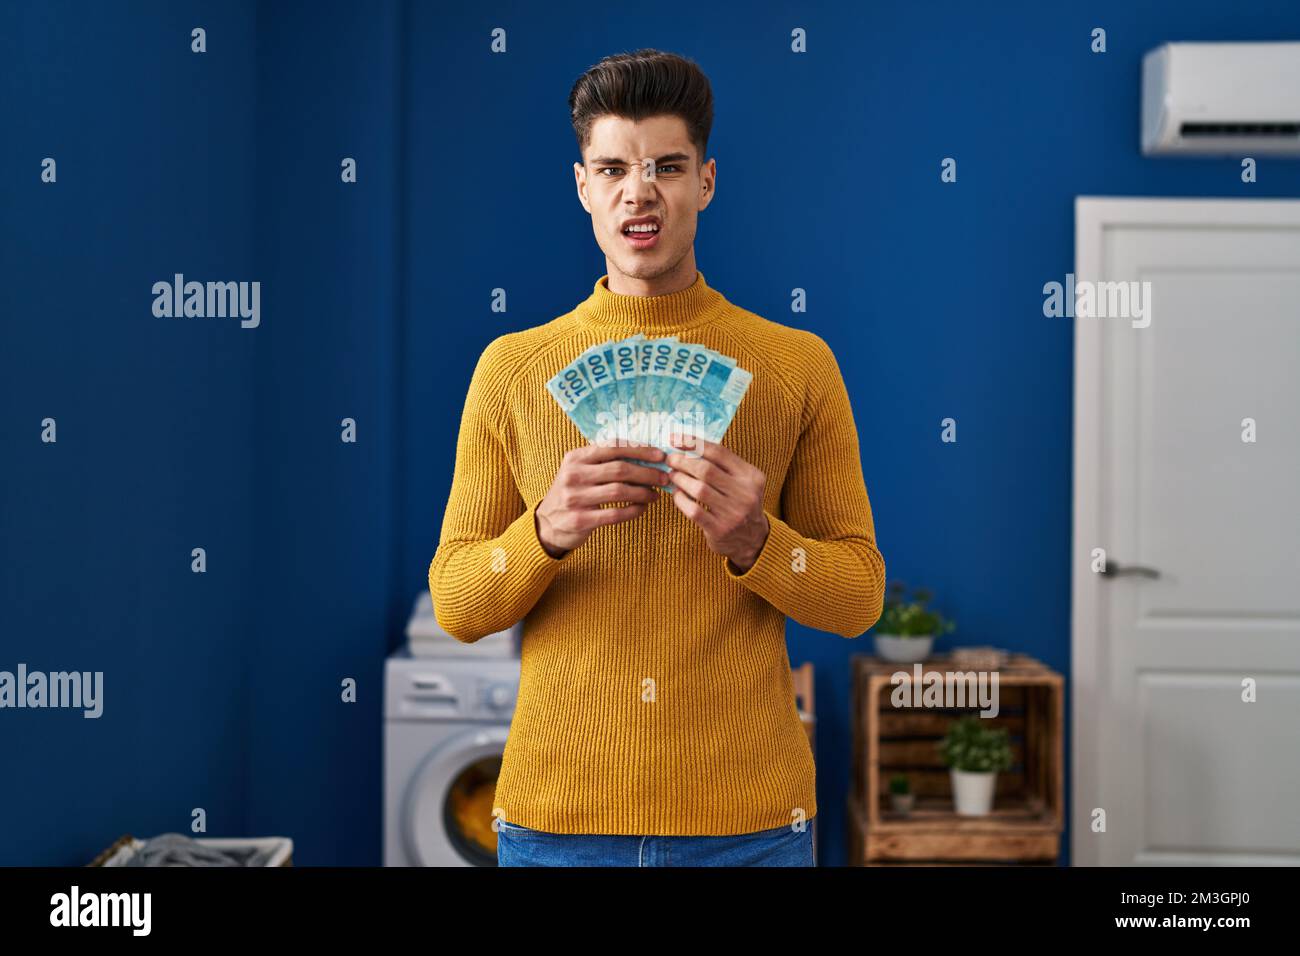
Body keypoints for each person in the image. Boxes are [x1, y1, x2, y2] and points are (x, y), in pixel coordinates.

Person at [428, 48, 886, 867]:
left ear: (706, 182)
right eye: (613, 169)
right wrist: (543, 531)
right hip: (556, 821)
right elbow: (459, 604)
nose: (639, 191)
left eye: (666, 167)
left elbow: (857, 598)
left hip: (750, 823)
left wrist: (759, 542)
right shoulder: (511, 369)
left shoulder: (796, 365)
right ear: (583, 188)